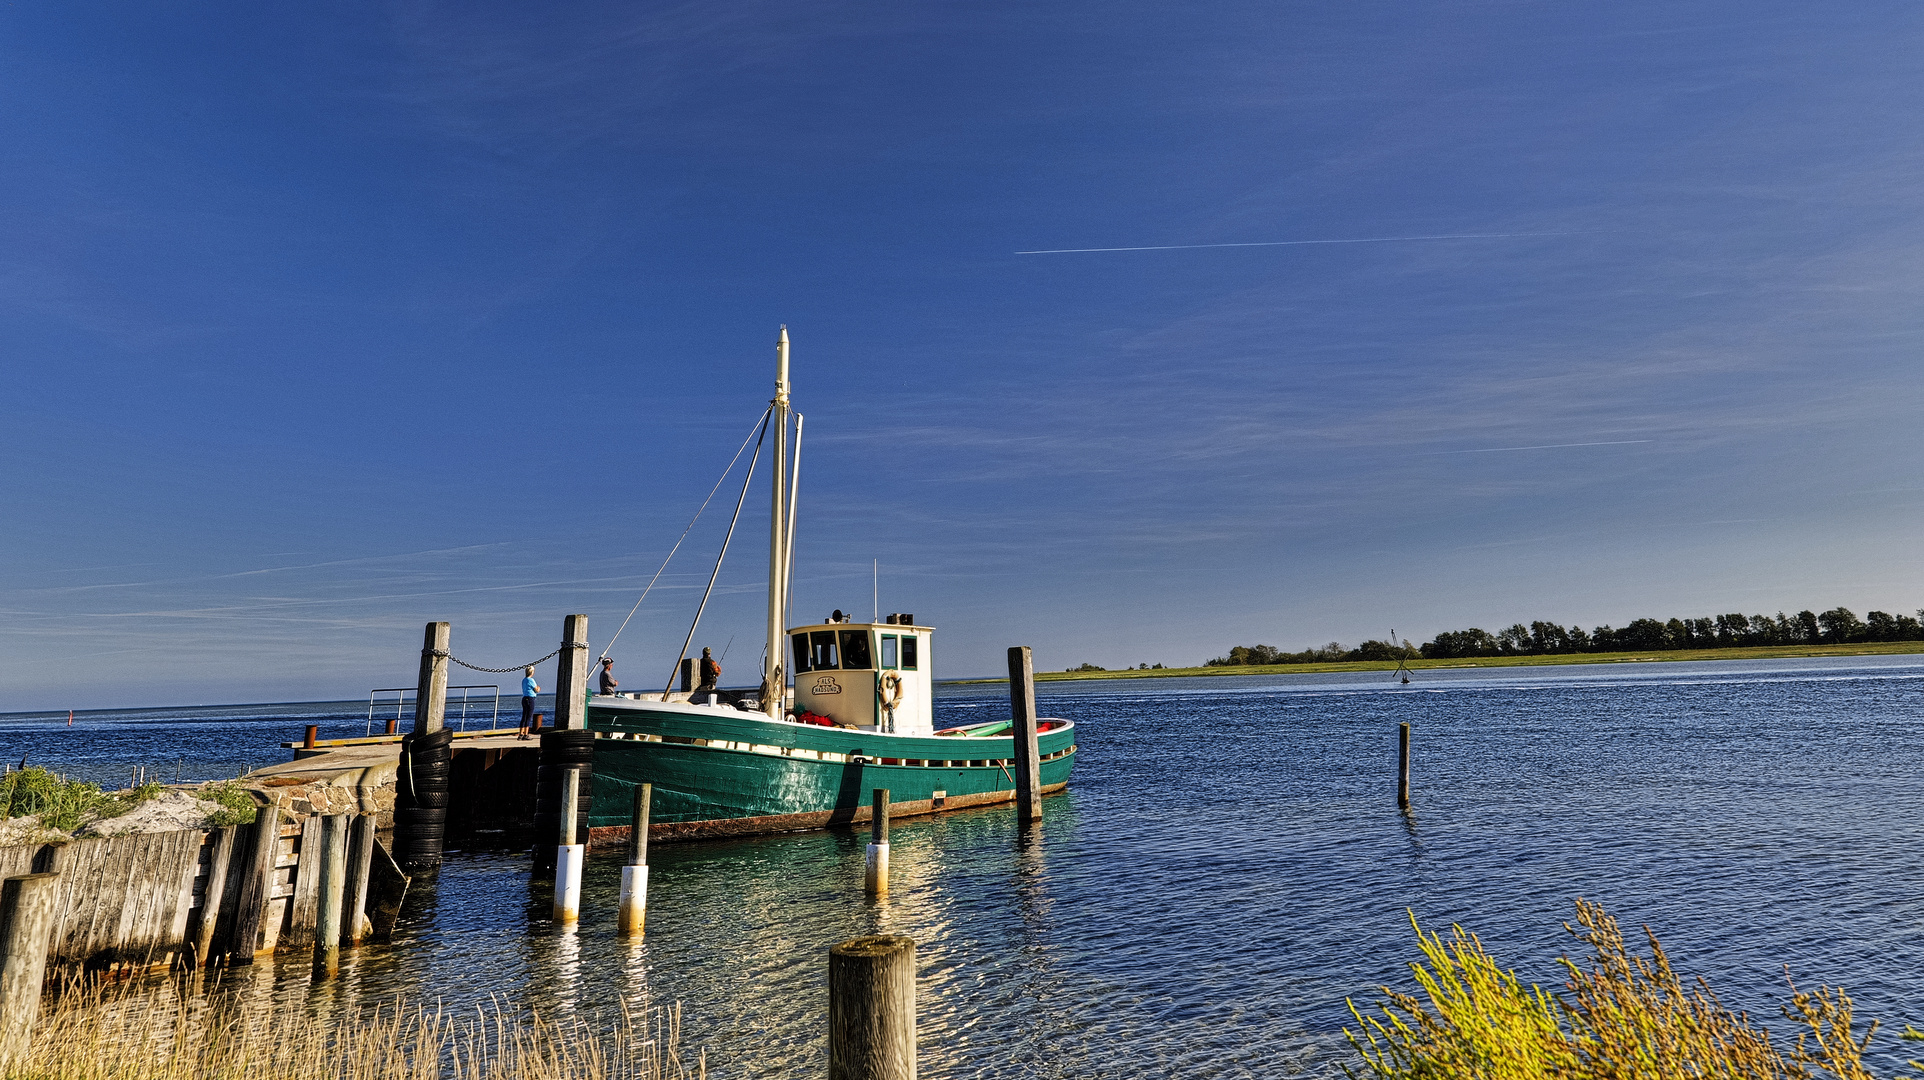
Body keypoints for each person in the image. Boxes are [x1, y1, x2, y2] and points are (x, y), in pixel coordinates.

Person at [521, 666, 540, 732]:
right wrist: (538, 688)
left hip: (524, 698)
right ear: (532, 672)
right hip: (530, 698)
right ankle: (526, 733)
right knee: (529, 717)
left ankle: (521, 733)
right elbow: (536, 690)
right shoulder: (531, 680)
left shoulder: (524, 680)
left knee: (524, 716)